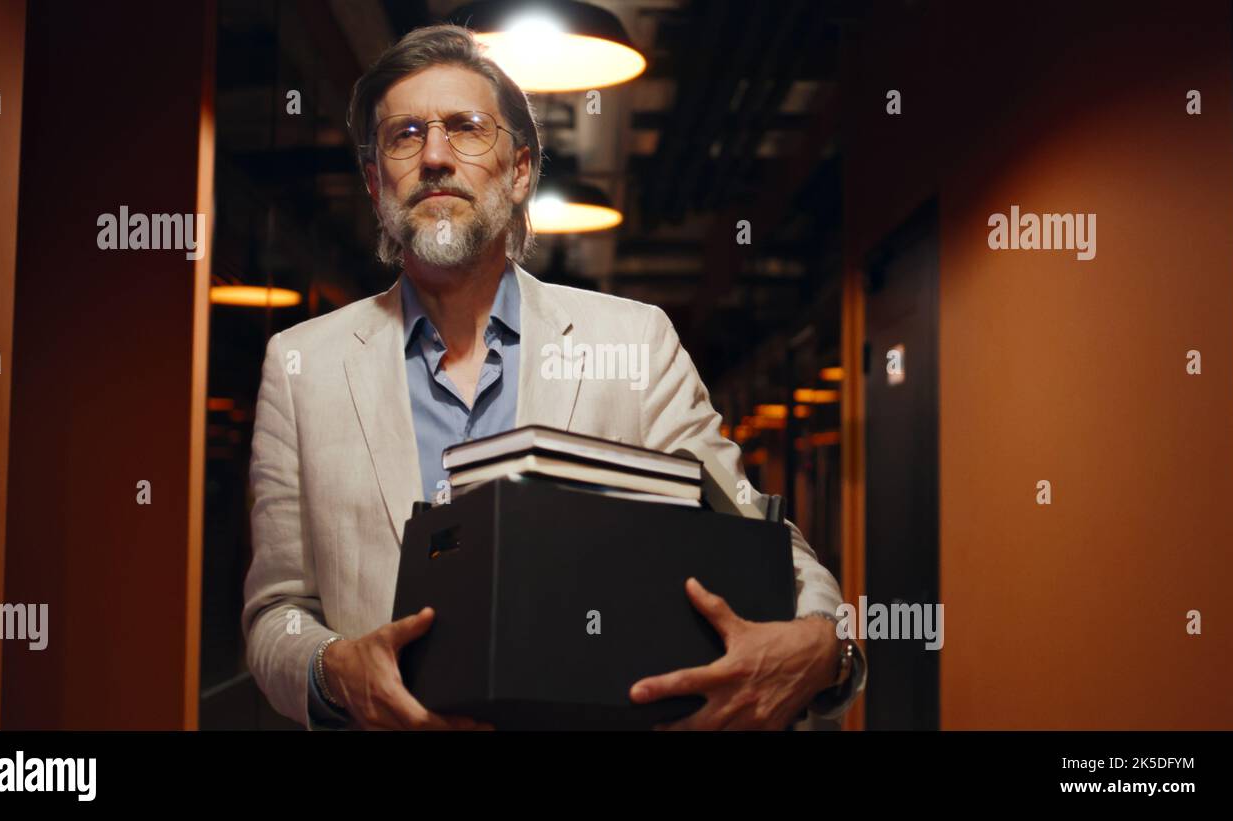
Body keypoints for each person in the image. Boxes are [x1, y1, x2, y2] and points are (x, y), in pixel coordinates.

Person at [241, 24, 864, 731]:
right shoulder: (301, 367)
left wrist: (826, 642)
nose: (436, 156)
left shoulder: (635, 342)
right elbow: (274, 615)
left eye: (467, 129)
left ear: (520, 172)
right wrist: (331, 670)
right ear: (373, 176)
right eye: (405, 135)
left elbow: (758, 532)